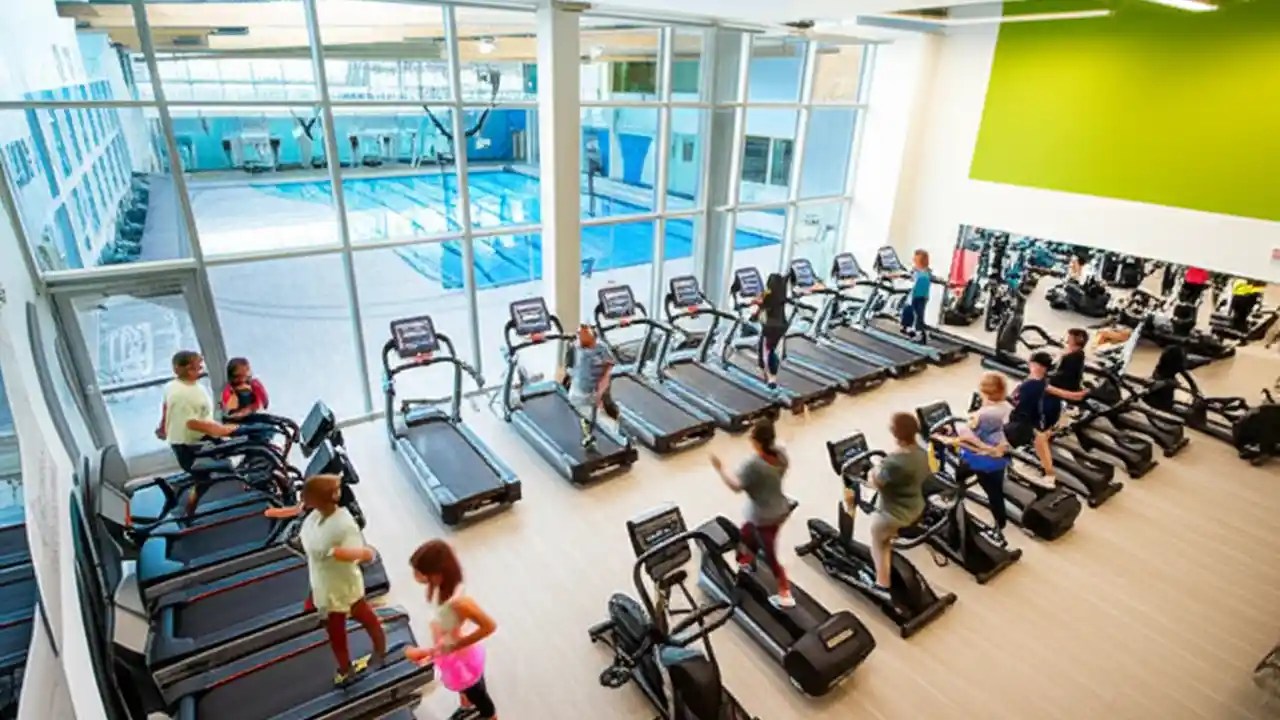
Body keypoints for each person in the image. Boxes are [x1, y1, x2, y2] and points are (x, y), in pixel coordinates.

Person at [265, 474, 386, 686]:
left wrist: (352, 553)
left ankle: (352, 666)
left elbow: (361, 553)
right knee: (323, 605)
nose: (304, 501)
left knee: (344, 627)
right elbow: (295, 510)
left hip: (340, 587)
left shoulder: (343, 524)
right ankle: (314, 615)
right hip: (320, 579)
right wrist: (271, 513)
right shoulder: (313, 512)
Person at [405, 540, 499, 720]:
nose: (415, 576)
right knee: (467, 689)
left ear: (437, 573)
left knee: (479, 696)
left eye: (419, 572)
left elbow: (489, 626)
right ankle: (467, 705)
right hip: (448, 652)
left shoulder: (458, 602)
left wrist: (456, 645)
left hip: (461, 658)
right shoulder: (439, 587)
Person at [710, 418, 794, 609]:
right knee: (746, 535)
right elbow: (783, 444)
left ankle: (785, 592)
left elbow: (736, 486)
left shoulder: (754, 465)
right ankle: (745, 561)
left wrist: (720, 468)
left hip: (764, 517)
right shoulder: (781, 455)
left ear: (757, 442)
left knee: (770, 555)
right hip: (780, 509)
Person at [154, 351, 238, 513]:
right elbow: (192, 423)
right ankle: (187, 509)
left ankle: (181, 491)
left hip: (198, 438)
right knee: (206, 478)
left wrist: (163, 427)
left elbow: (166, 407)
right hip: (191, 445)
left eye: (199, 366)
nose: (200, 369)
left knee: (230, 454)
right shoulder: (182, 394)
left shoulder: (174, 386)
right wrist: (223, 430)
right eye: (195, 367)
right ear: (180, 369)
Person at [861, 413, 929, 598]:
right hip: (916, 507)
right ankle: (894, 536)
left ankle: (882, 584)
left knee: (878, 541)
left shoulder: (893, 462)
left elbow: (876, 482)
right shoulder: (922, 453)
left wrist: (875, 469)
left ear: (894, 433)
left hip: (892, 516)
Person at [950, 373, 1013, 543]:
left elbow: (966, 434)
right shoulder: (1007, 407)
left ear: (984, 392)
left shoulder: (985, 414)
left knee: (964, 473)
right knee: (996, 490)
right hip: (1001, 456)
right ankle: (1001, 522)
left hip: (984, 459)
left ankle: (998, 526)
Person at [1007, 351, 1059, 484]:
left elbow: (1017, 403)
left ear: (1038, 366)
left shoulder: (1030, 386)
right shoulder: (1042, 382)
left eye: (1031, 363)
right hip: (1036, 421)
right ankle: (1049, 473)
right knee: (1041, 444)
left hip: (1024, 424)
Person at [565, 324, 618, 449]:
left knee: (604, 411)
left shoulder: (601, 348)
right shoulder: (574, 347)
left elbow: (610, 367)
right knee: (583, 410)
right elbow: (569, 368)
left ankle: (612, 433)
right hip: (580, 391)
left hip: (597, 388)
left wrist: (601, 389)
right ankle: (589, 432)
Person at [755, 272, 790, 389]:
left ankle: (771, 380)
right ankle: (772, 376)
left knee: (766, 352)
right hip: (783, 326)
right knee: (773, 351)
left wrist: (754, 315)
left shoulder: (768, 293)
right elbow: (786, 278)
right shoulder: (782, 293)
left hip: (771, 327)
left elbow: (760, 305)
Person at [220, 357, 269, 421]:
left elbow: (263, 400)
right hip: (236, 416)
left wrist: (251, 408)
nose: (242, 380)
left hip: (253, 413)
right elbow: (226, 403)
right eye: (237, 377)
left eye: (245, 376)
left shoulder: (254, 384)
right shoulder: (230, 388)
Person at [899, 249, 933, 341]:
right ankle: (906, 327)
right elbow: (907, 275)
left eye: (916, 259)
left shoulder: (926, 271)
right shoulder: (915, 270)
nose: (914, 261)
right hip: (913, 295)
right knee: (907, 310)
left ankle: (920, 334)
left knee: (918, 315)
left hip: (921, 297)